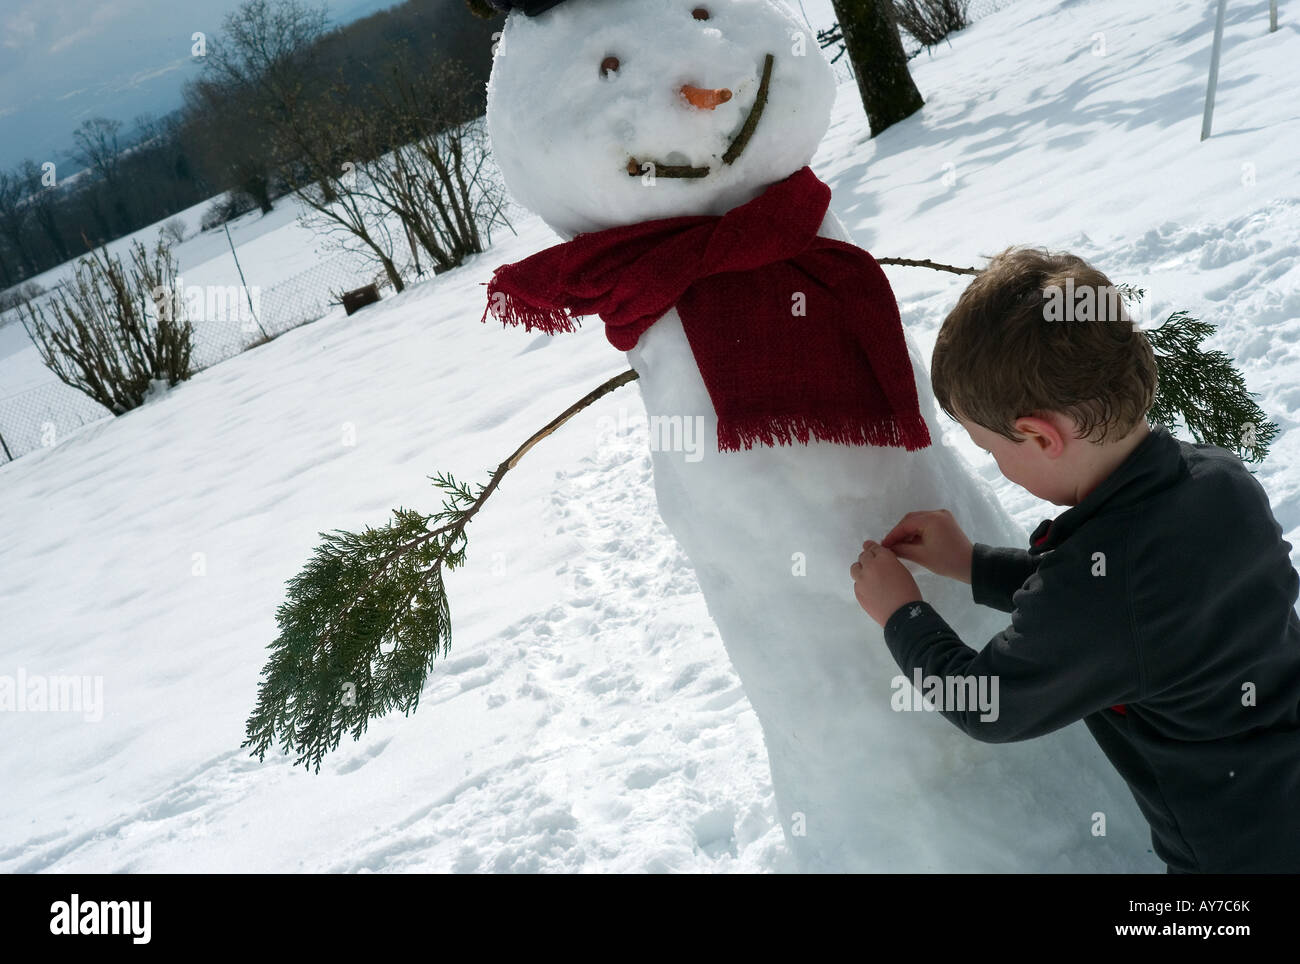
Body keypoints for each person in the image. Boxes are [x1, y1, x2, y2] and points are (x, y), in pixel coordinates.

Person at [848, 245, 1300, 873]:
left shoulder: (1107, 592)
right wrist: (975, 565)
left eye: (990, 448)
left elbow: (991, 704)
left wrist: (903, 615)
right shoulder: (1217, 480)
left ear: (1038, 436)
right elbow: (1122, 604)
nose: (995, 464)